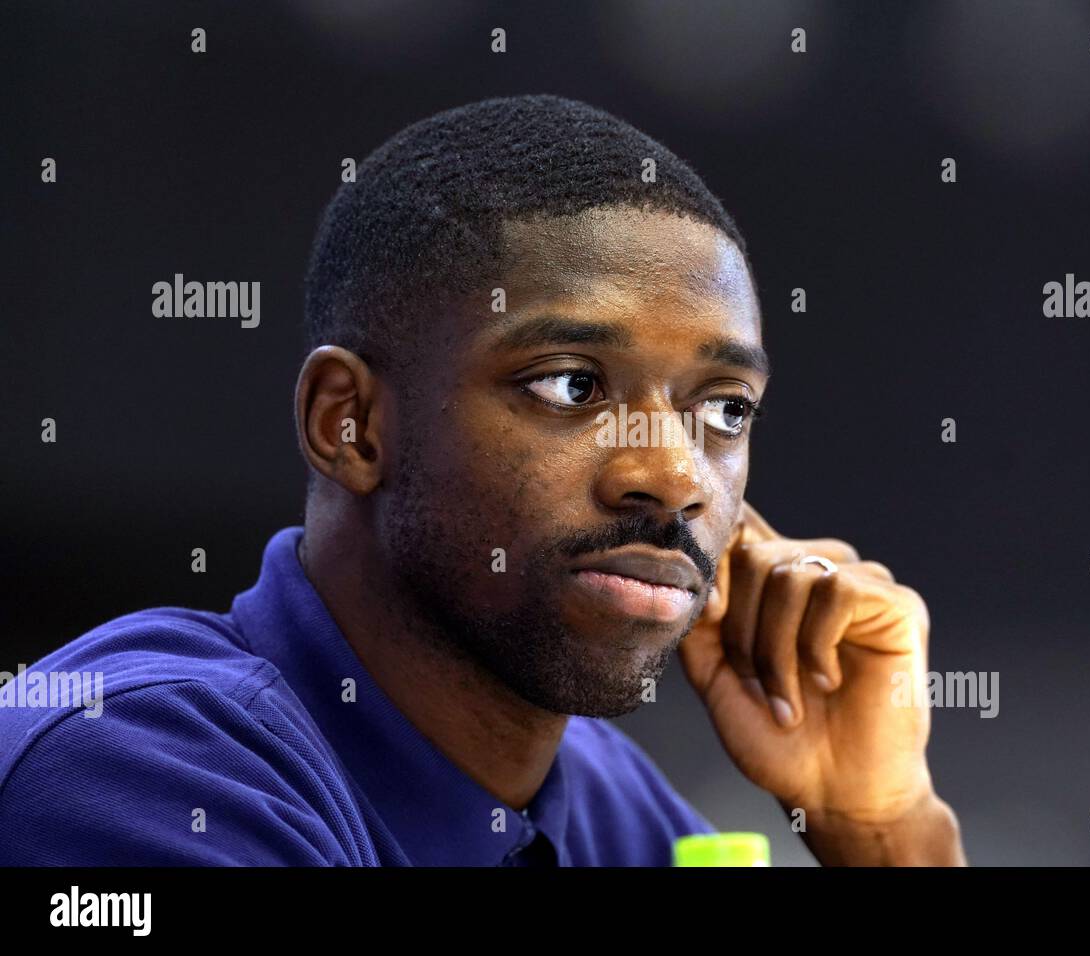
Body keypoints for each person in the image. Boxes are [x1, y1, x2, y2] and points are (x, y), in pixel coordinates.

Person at [0, 94, 965, 866]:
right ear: (350, 422)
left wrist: (880, 830)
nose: (673, 476)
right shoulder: (128, 771)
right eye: (571, 385)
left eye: (723, 410)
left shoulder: (607, 805)